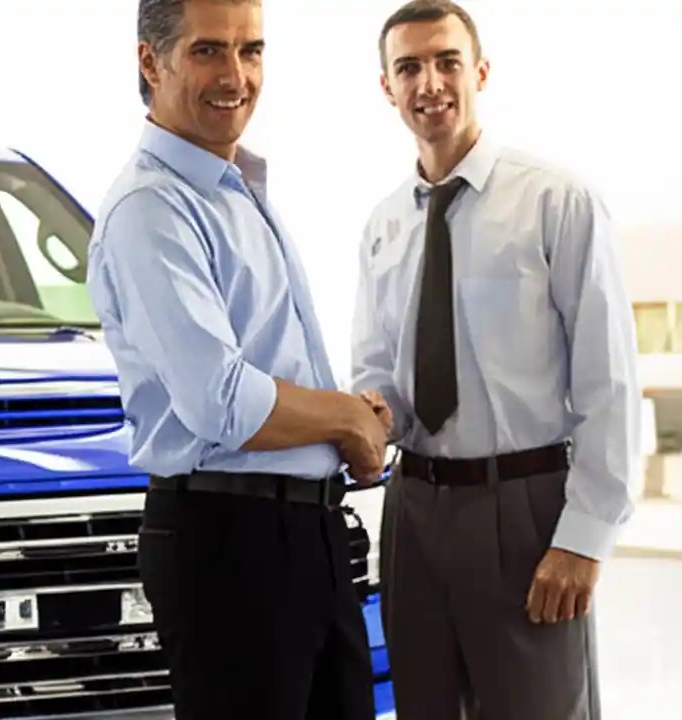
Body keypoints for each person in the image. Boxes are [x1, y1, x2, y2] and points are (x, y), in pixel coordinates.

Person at [87, 1, 389, 717]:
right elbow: (220, 401)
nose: (237, 74)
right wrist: (345, 418)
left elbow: (270, 367)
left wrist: (347, 419)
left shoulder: (240, 190)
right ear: (149, 62)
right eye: (208, 52)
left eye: (251, 51)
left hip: (307, 534)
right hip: (229, 543)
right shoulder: (151, 209)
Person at [351, 1, 640, 718]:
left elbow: (610, 381)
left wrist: (584, 538)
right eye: (409, 67)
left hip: (527, 508)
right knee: (422, 707)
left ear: (479, 72)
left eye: (447, 62)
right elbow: (375, 373)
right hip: (414, 510)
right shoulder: (384, 224)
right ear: (386, 88)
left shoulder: (556, 201)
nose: (431, 83)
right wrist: (354, 421)